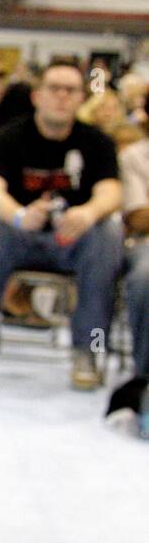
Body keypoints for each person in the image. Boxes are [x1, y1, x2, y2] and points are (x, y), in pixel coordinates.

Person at [0, 57, 124, 389]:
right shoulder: (10, 137)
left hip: (72, 241)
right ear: (38, 96)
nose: (62, 96)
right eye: (54, 88)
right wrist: (20, 216)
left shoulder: (96, 142)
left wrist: (88, 213)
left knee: (108, 231)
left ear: (82, 98)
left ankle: (88, 349)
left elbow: (111, 192)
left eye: (71, 90)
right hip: (20, 238)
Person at [117, 122, 149, 377]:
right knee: (146, 275)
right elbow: (137, 217)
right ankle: (144, 376)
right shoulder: (135, 156)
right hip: (145, 243)